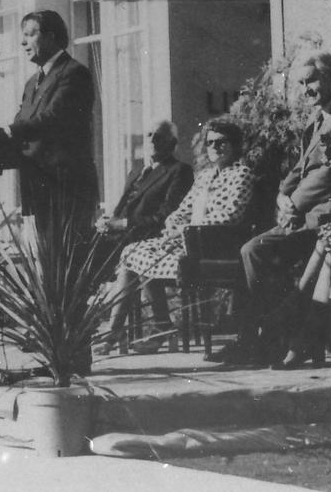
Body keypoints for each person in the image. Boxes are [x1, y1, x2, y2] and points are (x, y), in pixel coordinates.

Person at [213, 51, 331, 365]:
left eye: (310, 81)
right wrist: (282, 197)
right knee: (253, 250)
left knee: (259, 251)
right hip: (308, 213)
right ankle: (274, 337)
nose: (306, 90)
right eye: (301, 84)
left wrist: (295, 204)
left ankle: (275, 338)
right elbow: (299, 169)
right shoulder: (317, 120)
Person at [97, 120, 253, 354]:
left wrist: (184, 230)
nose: (214, 147)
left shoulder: (241, 174)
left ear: (234, 145)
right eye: (210, 143)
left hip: (213, 244)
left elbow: (229, 216)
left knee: (144, 257)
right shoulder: (205, 176)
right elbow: (182, 210)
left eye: (221, 142)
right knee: (133, 252)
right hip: (188, 239)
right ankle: (124, 329)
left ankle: (145, 329)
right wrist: (172, 225)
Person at [6, 9, 99, 238]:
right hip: (39, 184)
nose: (23, 42)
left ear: (51, 36)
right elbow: (22, 119)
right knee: (47, 255)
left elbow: (54, 118)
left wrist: (9, 131)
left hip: (67, 185)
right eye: (23, 35)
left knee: (69, 254)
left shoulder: (74, 73)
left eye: (30, 34)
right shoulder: (31, 83)